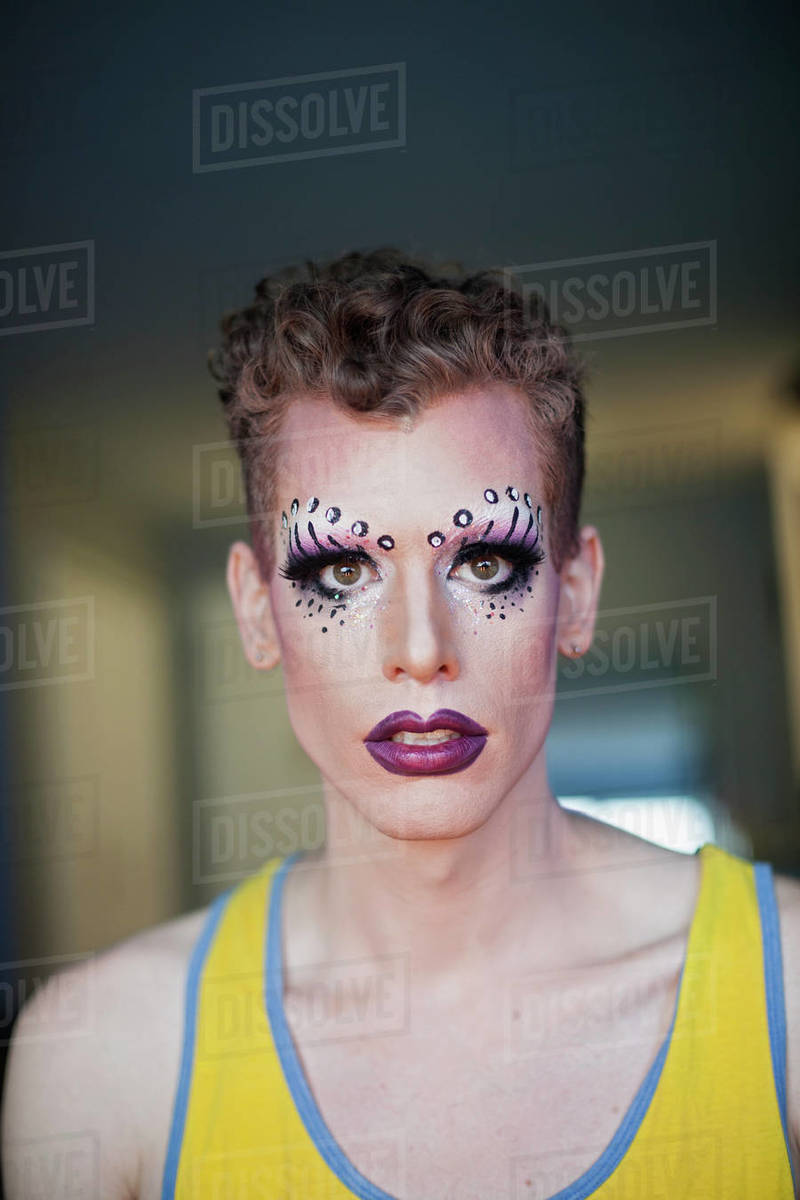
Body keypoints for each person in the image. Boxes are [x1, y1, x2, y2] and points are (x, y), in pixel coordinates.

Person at [2, 249, 799, 1199]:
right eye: (341, 571)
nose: (421, 649)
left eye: (487, 563)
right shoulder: (106, 1062)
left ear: (577, 595)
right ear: (259, 612)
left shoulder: (788, 992)